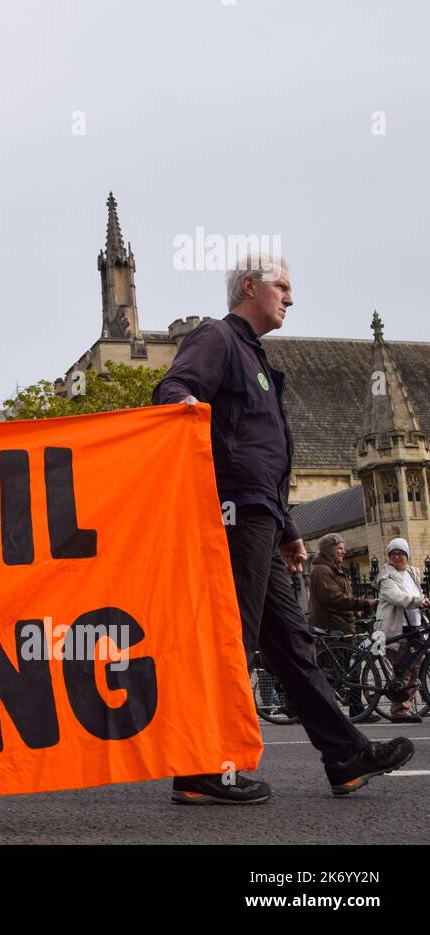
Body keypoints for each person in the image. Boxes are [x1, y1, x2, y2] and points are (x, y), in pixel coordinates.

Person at [152, 254, 414, 802]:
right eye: (283, 287)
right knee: (234, 640)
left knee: (293, 645)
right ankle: (201, 768)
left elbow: (264, 458)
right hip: (234, 513)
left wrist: (289, 526)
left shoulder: (257, 359)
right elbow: (173, 389)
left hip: (263, 518)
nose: (290, 298)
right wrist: (185, 404)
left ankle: (344, 755)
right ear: (249, 287)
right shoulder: (217, 338)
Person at [306, 533, 375, 716]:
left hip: (341, 626)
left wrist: (354, 608)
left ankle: (355, 709)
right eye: (339, 549)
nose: (343, 553)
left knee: (347, 670)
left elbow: (343, 596)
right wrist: (362, 603)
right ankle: (329, 711)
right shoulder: (322, 570)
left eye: (344, 549)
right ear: (329, 551)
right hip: (331, 627)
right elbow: (333, 598)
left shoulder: (334, 568)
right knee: (334, 672)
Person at [375, 538, 428, 723]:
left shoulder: (412, 573)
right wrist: (418, 601)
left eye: (401, 553)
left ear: (407, 555)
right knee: (404, 670)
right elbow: (397, 597)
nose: (398, 557)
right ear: (390, 557)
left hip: (414, 628)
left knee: (417, 668)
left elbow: (418, 595)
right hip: (397, 629)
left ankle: (405, 707)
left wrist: (424, 603)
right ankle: (399, 711)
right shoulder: (386, 576)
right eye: (394, 554)